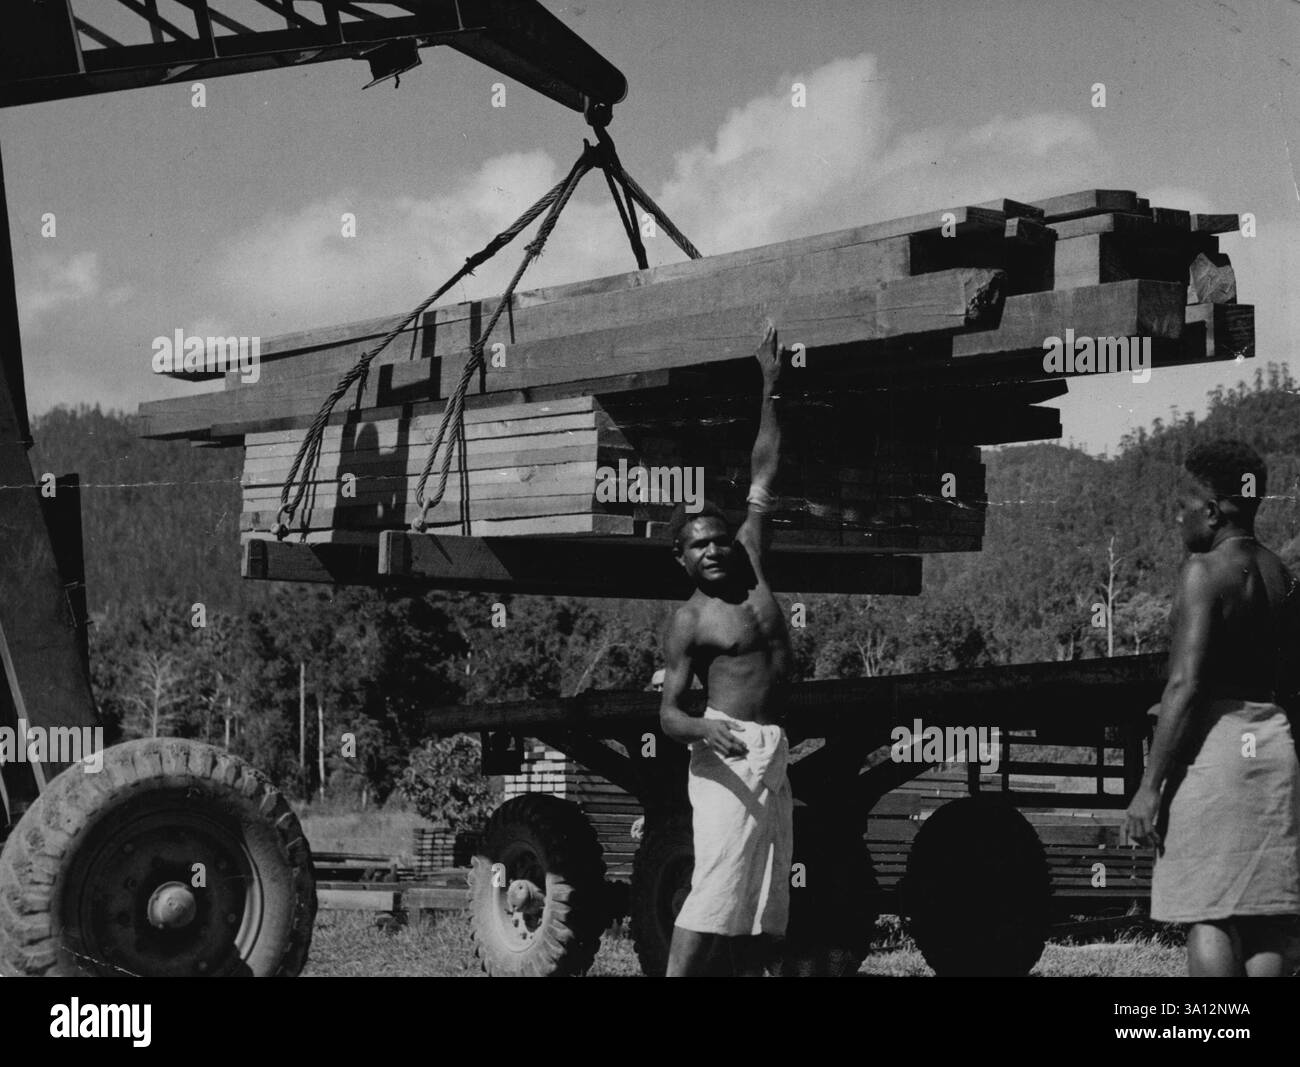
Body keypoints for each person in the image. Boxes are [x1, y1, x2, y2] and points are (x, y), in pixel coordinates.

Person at [1123, 439, 1300, 976]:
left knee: (1209, 913)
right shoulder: (1283, 577)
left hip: (1214, 753)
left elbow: (1185, 684)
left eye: (1183, 504)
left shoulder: (1204, 571)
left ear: (1212, 510)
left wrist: (1149, 788)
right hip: (1274, 748)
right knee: (1268, 917)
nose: (1177, 516)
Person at [658, 320, 793, 977]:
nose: (713, 549)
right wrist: (705, 729)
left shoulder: (754, 561)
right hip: (724, 754)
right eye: (698, 545)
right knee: (713, 890)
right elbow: (668, 714)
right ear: (680, 558)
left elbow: (764, 464)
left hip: (772, 750)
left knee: (764, 897)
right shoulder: (691, 620)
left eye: (718, 538)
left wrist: (770, 385)